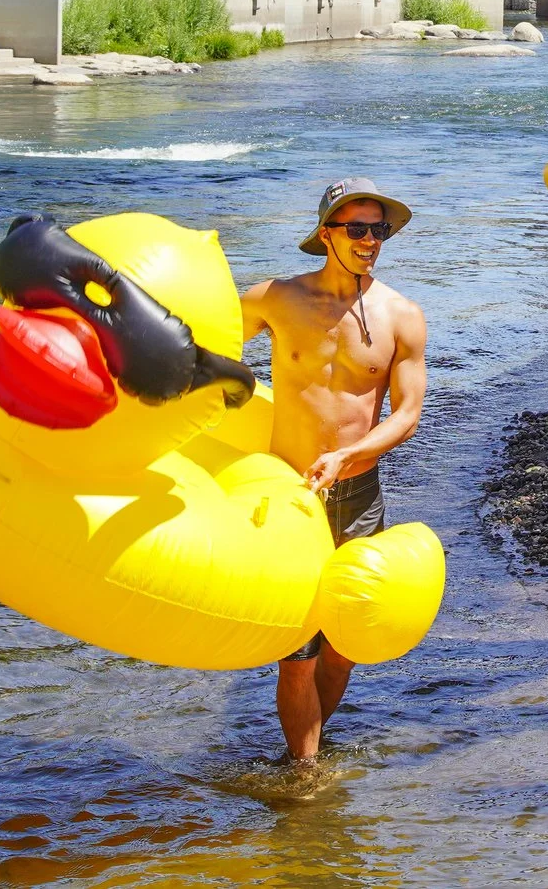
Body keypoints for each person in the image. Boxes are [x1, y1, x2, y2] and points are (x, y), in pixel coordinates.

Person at [239, 177, 431, 762]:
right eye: (358, 229)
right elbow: (203, 347)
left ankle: (312, 744)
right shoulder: (275, 298)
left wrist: (350, 454)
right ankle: (305, 775)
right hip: (290, 496)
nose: (371, 240)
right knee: (297, 654)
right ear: (327, 235)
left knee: (345, 646)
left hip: (359, 493)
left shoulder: (401, 315)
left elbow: (408, 413)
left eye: (380, 230)